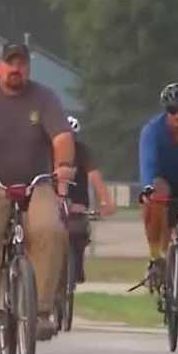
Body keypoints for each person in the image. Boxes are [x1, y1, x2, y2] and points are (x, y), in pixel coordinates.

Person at [0, 41, 74, 341]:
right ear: (0, 67)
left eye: (22, 63)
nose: (16, 69)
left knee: (51, 231)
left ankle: (42, 310)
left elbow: (61, 137)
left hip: (36, 183)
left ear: (28, 68)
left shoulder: (45, 98)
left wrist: (63, 165)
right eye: (11, 63)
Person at [139, 83, 178, 280]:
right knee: (156, 195)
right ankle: (156, 257)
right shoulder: (152, 131)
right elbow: (148, 162)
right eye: (172, 110)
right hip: (164, 181)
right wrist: (147, 188)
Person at [62, 116, 116, 284]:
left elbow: (94, 175)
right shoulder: (47, 151)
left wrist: (106, 201)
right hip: (53, 200)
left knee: (79, 231)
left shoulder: (82, 152)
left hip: (78, 202)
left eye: (72, 137)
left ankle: (76, 266)